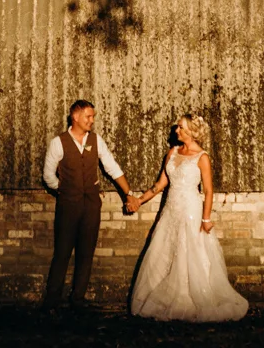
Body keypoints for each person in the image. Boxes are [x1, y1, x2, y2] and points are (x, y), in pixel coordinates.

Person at [126, 114, 248, 321]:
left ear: (191, 131)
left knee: (189, 253)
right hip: (171, 210)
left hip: (191, 210)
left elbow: (208, 191)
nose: (176, 131)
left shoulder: (202, 157)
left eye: (180, 128)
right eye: (177, 128)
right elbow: (160, 184)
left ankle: (190, 297)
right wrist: (139, 200)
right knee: (166, 250)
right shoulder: (172, 153)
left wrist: (206, 219)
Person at [40, 99, 137, 312]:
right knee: (63, 252)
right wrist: (65, 190)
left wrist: (128, 193)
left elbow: (112, 167)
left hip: (91, 205)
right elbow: (48, 176)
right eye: (88, 116)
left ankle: (78, 299)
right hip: (68, 206)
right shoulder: (59, 142)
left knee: (86, 252)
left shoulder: (95, 140)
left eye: (93, 117)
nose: (92, 121)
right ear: (75, 117)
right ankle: (52, 300)